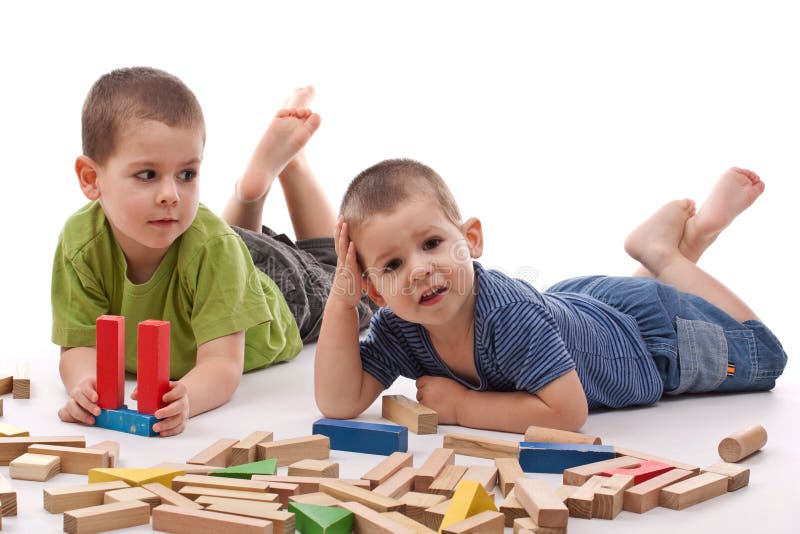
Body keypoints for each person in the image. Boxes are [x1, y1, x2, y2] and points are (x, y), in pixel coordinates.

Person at [315, 159, 787, 434]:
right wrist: (341, 298)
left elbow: (566, 413)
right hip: (577, 313)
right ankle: (673, 252)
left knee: (763, 354)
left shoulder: (509, 318)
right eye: (393, 266)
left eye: (432, 244)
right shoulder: (400, 326)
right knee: (621, 307)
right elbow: (338, 401)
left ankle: (668, 253)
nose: (419, 270)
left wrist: (461, 408)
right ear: (372, 289)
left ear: (471, 240)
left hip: (650, 344)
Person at [53, 67, 372, 436]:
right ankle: (252, 191)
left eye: (187, 174)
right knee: (220, 243)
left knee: (346, 281)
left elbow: (222, 364)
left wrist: (187, 396)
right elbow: (77, 346)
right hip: (221, 253)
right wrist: (85, 386)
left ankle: (290, 167)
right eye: (147, 175)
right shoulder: (81, 243)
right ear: (91, 179)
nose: (171, 194)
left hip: (283, 295)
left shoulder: (211, 247)